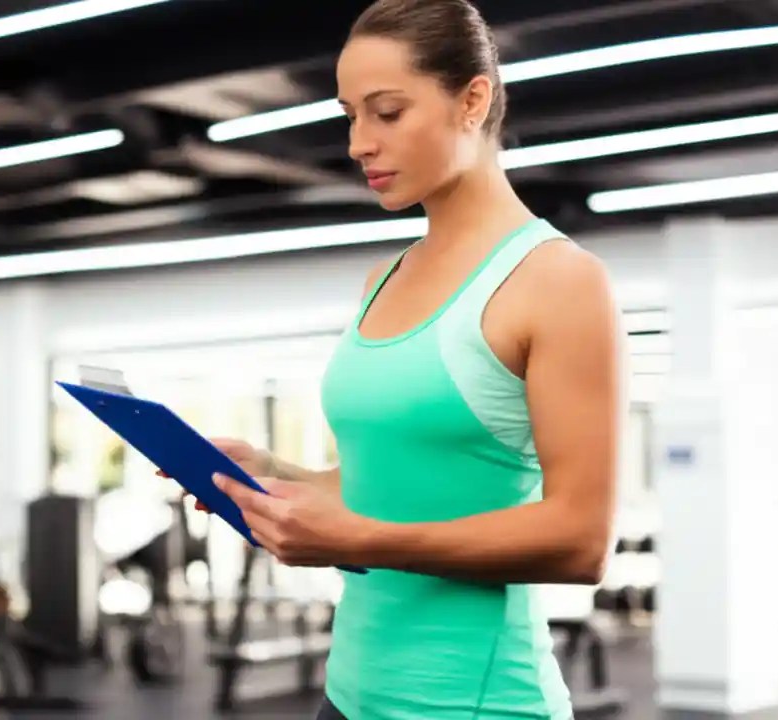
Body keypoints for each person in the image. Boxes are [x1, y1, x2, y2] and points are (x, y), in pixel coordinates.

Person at [171, 1, 624, 717]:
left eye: (387, 112)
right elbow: (390, 487)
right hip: (349, 695)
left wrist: (363, 542)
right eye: (350, 116)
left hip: (473, 704)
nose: (358, 143)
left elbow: (581, 540)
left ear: (472, 100)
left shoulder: (558, 280)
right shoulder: (384, 279)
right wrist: (273, 473)